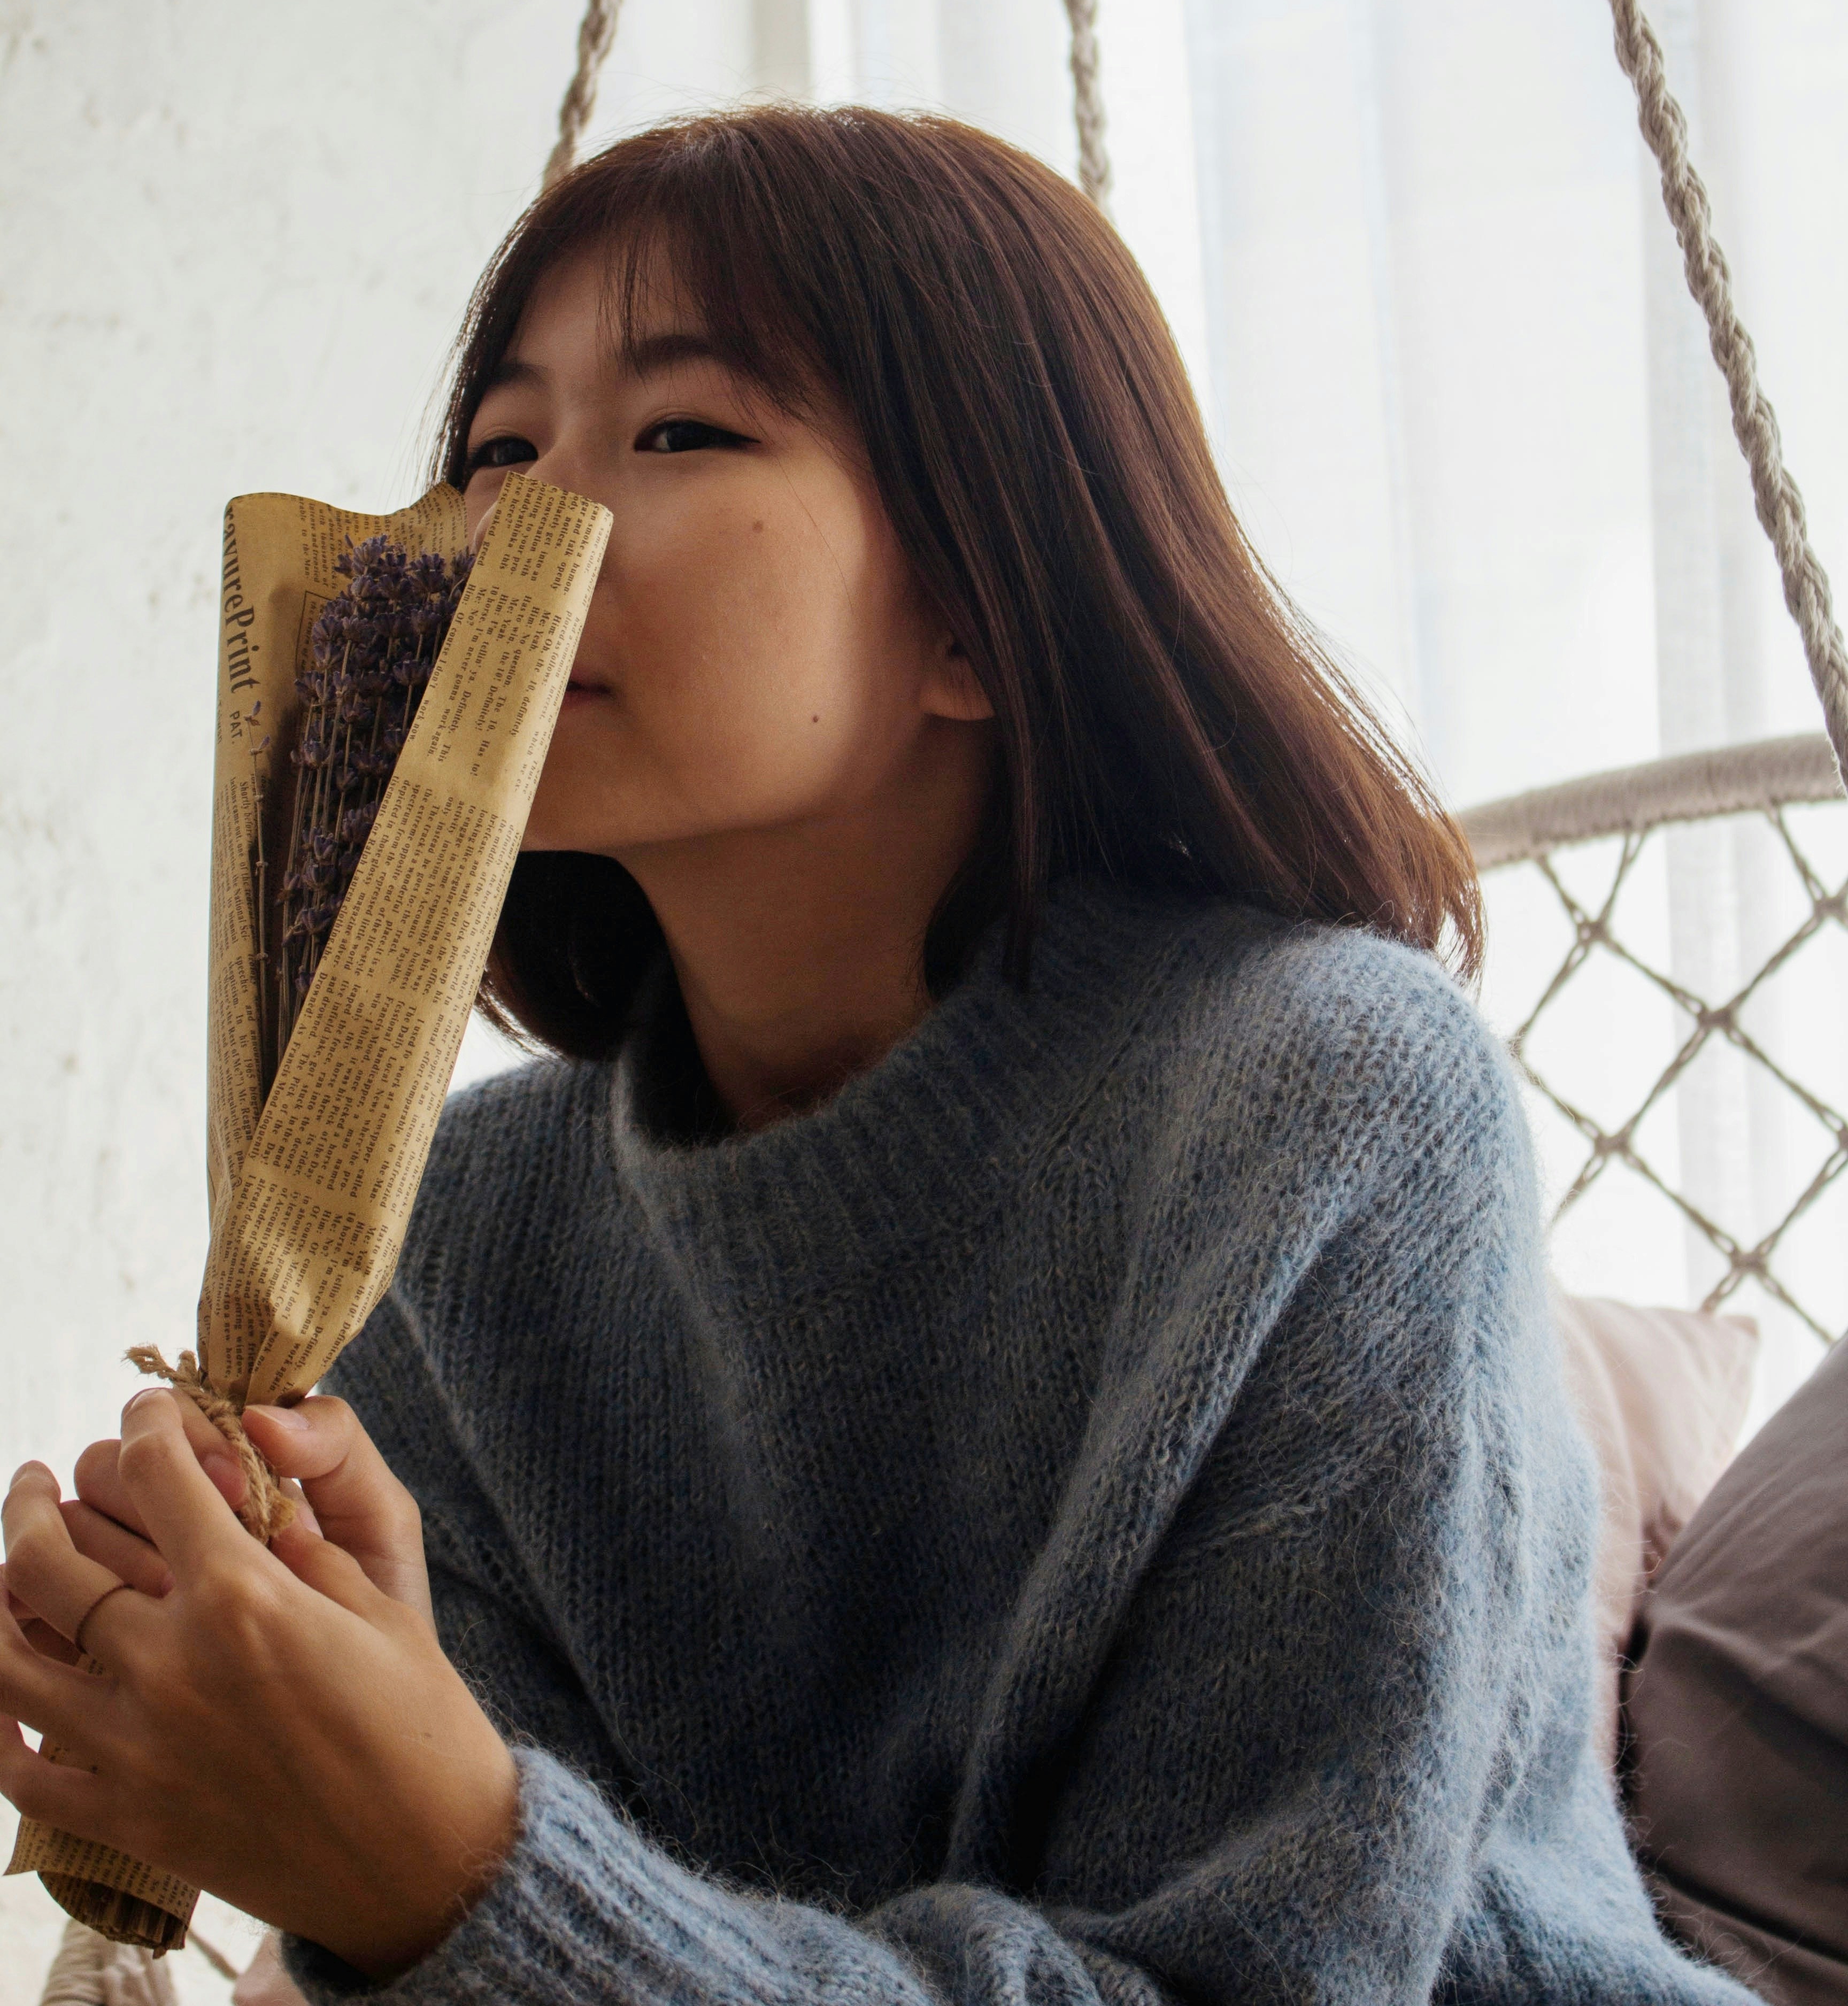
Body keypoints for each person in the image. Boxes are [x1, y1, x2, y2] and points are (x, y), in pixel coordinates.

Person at [2, 109, 1749, 2003]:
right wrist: (328, 1788)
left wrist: (453, 1859)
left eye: (681, 432)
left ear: (985, 617)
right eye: (498, 447)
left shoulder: (1330, 1113)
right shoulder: (450, 1245)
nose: (516, 519)